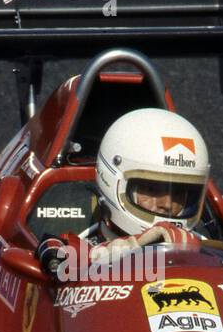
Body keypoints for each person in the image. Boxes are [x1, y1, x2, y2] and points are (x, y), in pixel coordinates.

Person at [83, 108, 213, 262]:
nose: (167, 204)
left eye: (178, 192)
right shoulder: (70, 237)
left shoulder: (210, 245)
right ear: (112, 182)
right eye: (152, 189)